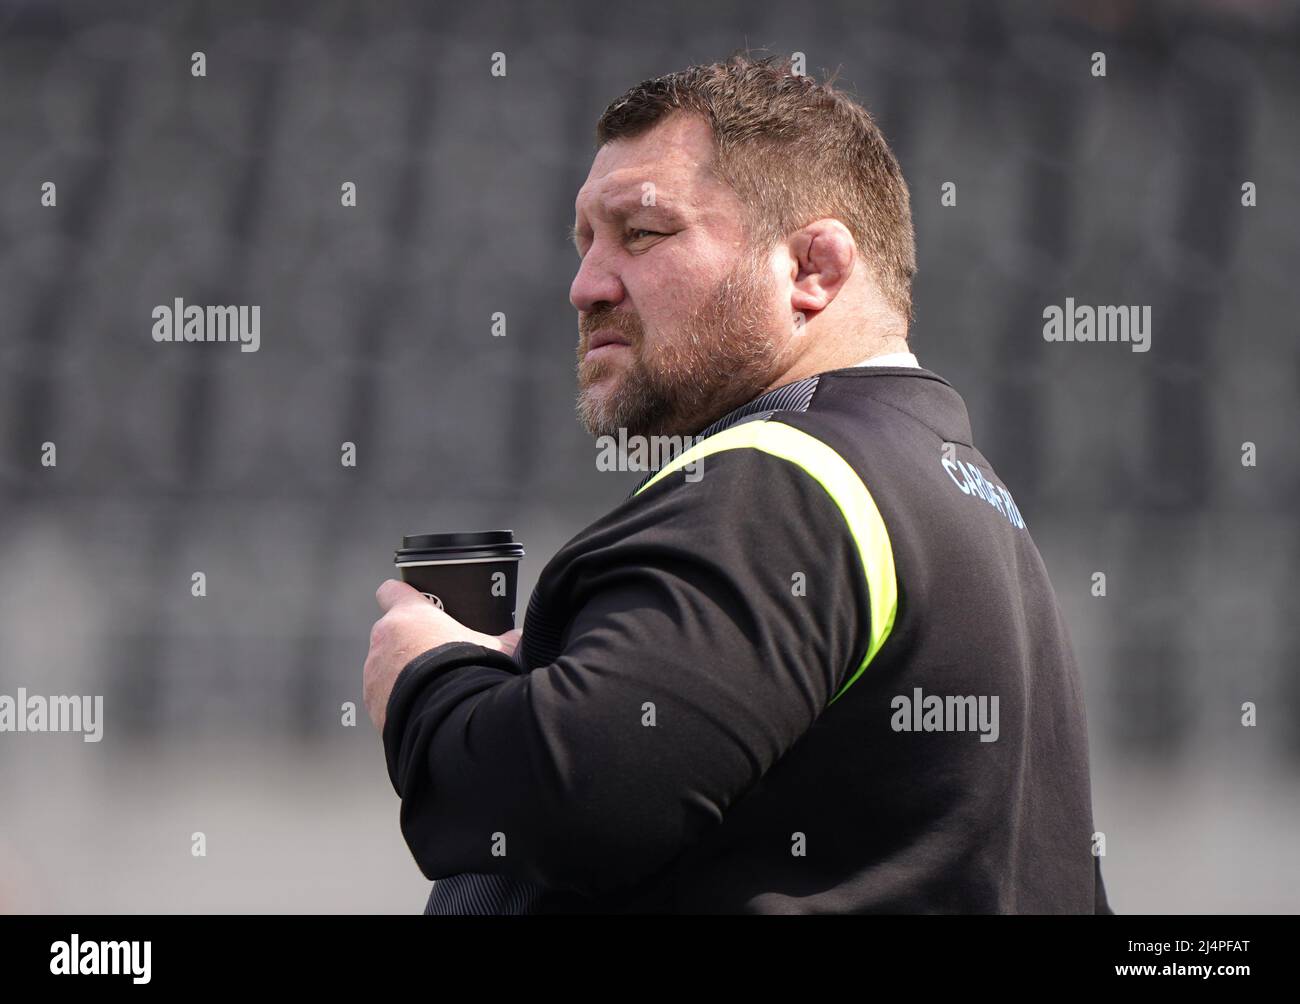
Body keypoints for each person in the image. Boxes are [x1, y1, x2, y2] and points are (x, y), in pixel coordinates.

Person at [363, 52, 1112, 914]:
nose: (584, 286)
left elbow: (570, 800)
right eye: (585, 243)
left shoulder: (780, 481)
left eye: (642, 234)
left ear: (813, 270)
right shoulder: (958, 488)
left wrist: (430, 678)